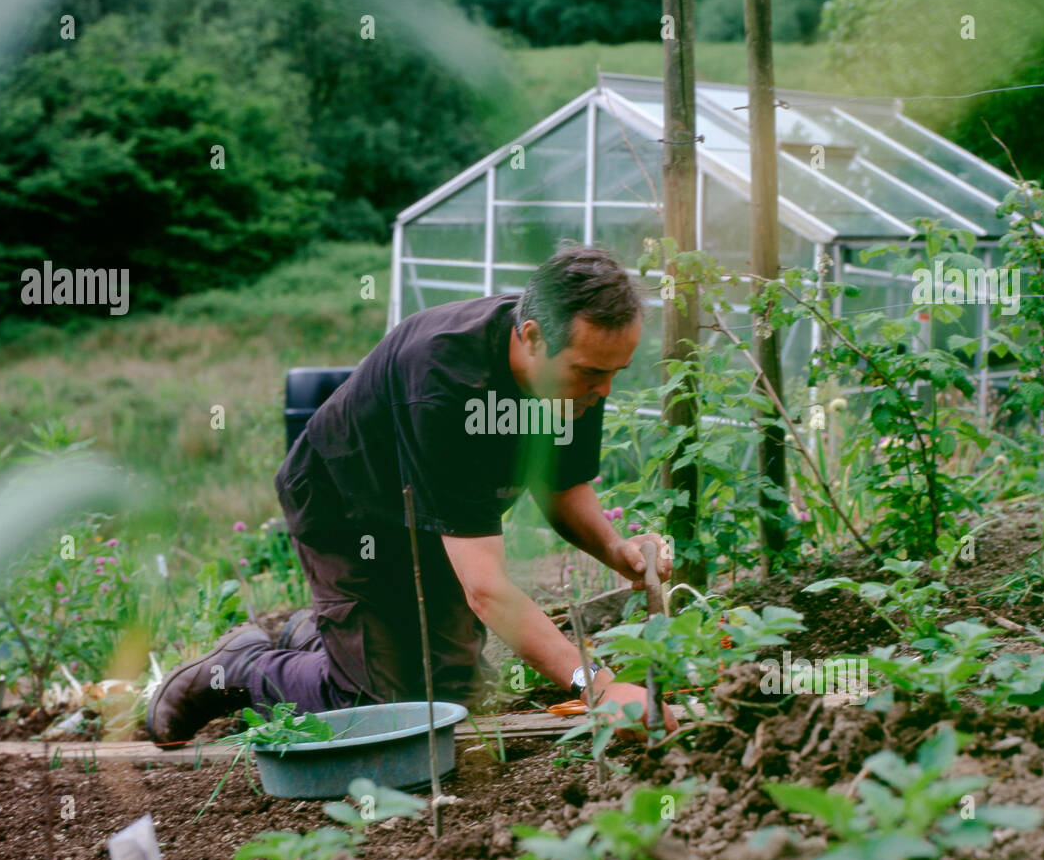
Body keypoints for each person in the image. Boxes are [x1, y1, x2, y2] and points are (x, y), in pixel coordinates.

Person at [146, 243, 676, 746]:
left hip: (433, 519)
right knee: (380, 709)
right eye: (591, 374)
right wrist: (597, 686)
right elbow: (486, 588)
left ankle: (322, 634)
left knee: (455, 700)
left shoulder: (578, 372)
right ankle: (236, 668)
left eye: (614, 374)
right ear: (534, 336)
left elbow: (561, 485)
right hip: (346, 506)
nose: (604, 390)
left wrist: (614, 549)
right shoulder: (446, 375)